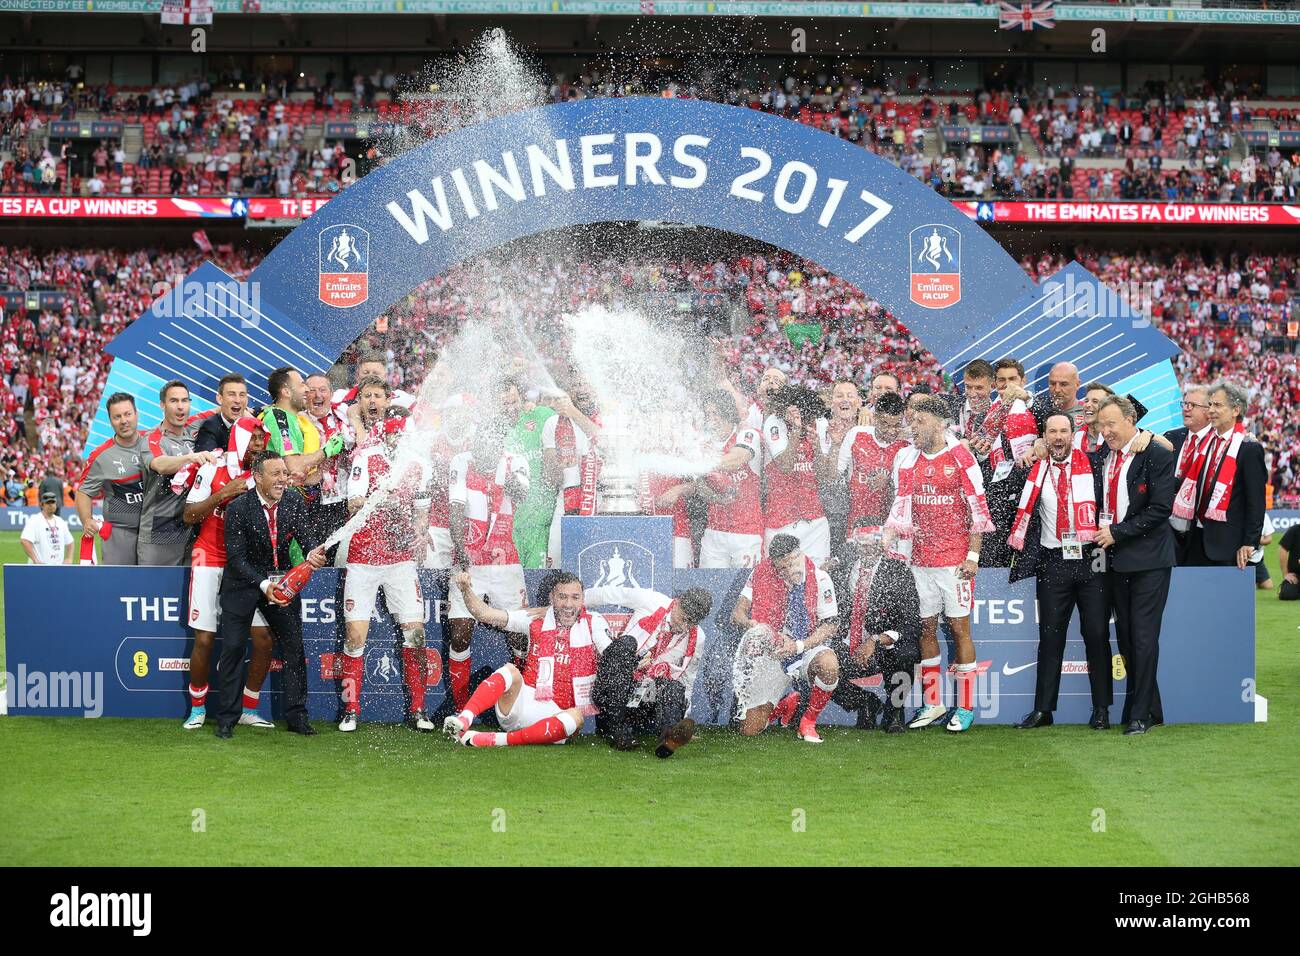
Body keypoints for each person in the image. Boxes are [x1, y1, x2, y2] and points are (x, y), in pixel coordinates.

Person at [885, 394, 993, 733]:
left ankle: (966, 707)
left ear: (940, 423)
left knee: (960, 630)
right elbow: (900, 509)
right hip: (920, 559)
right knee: (926, 629)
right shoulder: (906, 458)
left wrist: (973, 556)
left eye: (919, 421)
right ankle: (933, 703)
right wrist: (893, 540)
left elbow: (978, 510)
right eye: (911, 421)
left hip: (955, 561)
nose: (912, 427)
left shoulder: (961, 456)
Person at [1008, 413, 1114, 729]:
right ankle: (1043, 710)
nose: (1058, 437)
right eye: (1052, 431)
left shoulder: (1095, 465)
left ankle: (1102, 710)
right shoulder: (1034, 470)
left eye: (1063, 431)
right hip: (1052, 561)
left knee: (1096, 635)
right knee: (1050, 637)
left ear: (1073, 434)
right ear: (1044, 436)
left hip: (1091, 559)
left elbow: (1109, 501)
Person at [214, 450, 328, 738]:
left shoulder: (293, 501)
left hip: (282, 584)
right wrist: (264, 585)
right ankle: (227, 719)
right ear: (258, 477)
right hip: (242, 585)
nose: (283, 479)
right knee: (234, 649)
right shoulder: (238, 508)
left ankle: (297, 717)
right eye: (276, 474)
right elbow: (237, 560)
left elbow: (307, 538)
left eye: (285, 473)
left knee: (294, 648)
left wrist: (313, 553)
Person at [338, 416, 432, 733]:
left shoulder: (419, 465)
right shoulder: (366, 458)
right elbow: (353, 503)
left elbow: (421, 509)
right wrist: (382, 502)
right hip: (363, 558)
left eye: (402, 438)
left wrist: (419, 532)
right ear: (385, 438)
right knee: (355, 637)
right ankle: (351, 710)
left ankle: (419, 710)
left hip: (401, 560)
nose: (398, 443)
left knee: (416, 635)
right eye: (394, 438)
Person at [443, 570, 609, 747]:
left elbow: (610, 653)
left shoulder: (594, 622)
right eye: (562, 597)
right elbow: (484, 614)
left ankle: (495, 740)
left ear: (583, 600)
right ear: (552, 598)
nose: (568, 603)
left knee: (576, 717)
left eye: (575, 597)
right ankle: (463, 720)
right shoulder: (534, 618)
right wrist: (466, 589)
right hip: (520, 704)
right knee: (510, 670)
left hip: (555, 716)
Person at [180, 416, 273, 730]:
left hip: (246, 562)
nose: (260, 444)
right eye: (255, 439)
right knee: (205, 640)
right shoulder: (213, 469)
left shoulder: (261, 475)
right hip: (209, 556)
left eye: (263, 440)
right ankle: (197, 708)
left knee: (262, 639)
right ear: (240, 440)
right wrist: (223, 494)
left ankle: (248, 707)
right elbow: (189, 515)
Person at [1094, 395, 1177, 735]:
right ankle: (1152, 709)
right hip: (1114, 560)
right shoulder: (1101, 455)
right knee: (1127, 638)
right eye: (1101, 425)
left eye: (1111, 424)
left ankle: (1139, 715)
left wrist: (1117, 532)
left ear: (1131, 421)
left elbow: (1160, 509)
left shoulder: (1155, 453)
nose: (1106, 431)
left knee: (1143, 637)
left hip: (1148, 560)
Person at [443, 414, 530, 715]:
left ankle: (520, 698)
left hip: (506, 562)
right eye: (478, 444)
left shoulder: (515, 461)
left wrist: (504, 472)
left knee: (519, 632)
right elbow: (455, 509)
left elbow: (522, 494)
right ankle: (460, 709)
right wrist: (460, 548)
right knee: (459, 632)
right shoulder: (461, 462)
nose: (481, 451)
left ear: (499, 446)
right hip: (468, 562)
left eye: (489, 446)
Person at [75, 393, 215, 566]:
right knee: (121, 583)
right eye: (117, 417)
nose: (124, 421)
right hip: (122, 532)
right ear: (110, 420)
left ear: (136, 414)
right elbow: (84, 491)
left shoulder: (155, 440)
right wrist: (87, 520)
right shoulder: (100, 456)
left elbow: (194, 419)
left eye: (127, 414)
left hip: (158, 530)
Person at [730, 533, 840, 743]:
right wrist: (750, 624)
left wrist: (799, 646)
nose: (787, 572)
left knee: (829, 665)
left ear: (799, 555)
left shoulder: (820, 578)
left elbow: (830, 626)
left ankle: (808, 721)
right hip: (774, 652)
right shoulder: (761, 572)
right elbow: (737, 613)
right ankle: (785, 704)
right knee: (749, 730)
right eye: (781, 568)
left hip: (805, 647)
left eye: (790, 565)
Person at [587, 584, 713, 755]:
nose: (684, 626)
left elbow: (688, 680)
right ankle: (616, 731)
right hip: (612, 693)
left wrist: (681, 718)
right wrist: (573, 605)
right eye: (683, 618)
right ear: (677, 603)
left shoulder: (698, 638)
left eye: (690, 623)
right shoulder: (652, 601)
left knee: (673, 686)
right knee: (626, 645)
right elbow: (610, 593)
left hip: (644, 702)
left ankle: (669, 737)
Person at [824, 530, 920, 733]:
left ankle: (894, 711)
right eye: (862, 542)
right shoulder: (840, 570)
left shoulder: (898, 571)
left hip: (881, 645)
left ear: (882, 544)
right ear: (855, 543)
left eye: (873, 541)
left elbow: (911, 622)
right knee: (813, 663)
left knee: (907, 652)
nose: (867, 547)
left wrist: (875, 640)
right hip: (846, 643)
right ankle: (865, 702)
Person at [1174, 383, 1266, 570]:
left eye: (1218, 405)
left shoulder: (1248, 448)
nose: (1211, 410)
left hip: (1228, 546)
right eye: (1210, 405)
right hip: (1196, 539)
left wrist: (1250, 542)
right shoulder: (1207, 443)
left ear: (1235, 410)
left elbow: (1256, 501)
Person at [761, 385, 833, 565]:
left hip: (815, 520)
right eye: (804, 417)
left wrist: (817, 448)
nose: (807, 421)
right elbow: (785, 466)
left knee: (817, 577)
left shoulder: (820, 423)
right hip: (781, 522)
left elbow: (823, 476)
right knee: (780, 581)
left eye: (810, 417)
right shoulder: (774, 422)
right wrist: (795, 431)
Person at [138, 380, 207, 566]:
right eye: (174, 401)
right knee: (155, 591)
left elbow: (223, 409)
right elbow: (159, 464)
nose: (180, 407)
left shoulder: (193, 427)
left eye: (185, 401)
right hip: (160, 530)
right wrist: (192, 458)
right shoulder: (153, 438)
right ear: (162, 405)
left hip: (192, 528)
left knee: (189, 592)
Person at [697, 390, 764, 569]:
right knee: (711, 593)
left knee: (745, 595)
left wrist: (702, 463)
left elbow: (738, 458)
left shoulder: (748, 434)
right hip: (714, 531)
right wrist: (714, 496)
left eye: (716, 413)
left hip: (747, 532)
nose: (712, 419)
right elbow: (700, 485)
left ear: (727, 411)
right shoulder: (704, 445)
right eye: (708, 414)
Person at [301, 372, 354, 549]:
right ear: (304, 395)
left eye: (323, 390)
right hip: (311, 498)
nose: (318, 396)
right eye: (312, 391)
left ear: (331, 393)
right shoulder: (298, 421)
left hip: (344, 497)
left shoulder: (344, 415)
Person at [260, 366, 321, 487]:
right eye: (301, 384)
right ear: (286, 392)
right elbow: (293, 466)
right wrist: (326, 451)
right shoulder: (279, 417)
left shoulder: (294, 419)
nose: (307, 389)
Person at [193, 374, 249, 454]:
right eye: (232, 394)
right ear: (220, 399)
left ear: (247, 400)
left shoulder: (253, 426)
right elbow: (208, 461)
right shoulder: (209, 427)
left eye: (242, 395)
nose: (237, 400)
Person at [20, 491, 73, 564]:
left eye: (53, 502)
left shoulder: (60, 521)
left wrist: (69, 558)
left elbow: (70, 542)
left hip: (58, 567)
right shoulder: (34, 520)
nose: (51, 505)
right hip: (40, 568)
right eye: (48, 503)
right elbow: (24, 540)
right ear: (42, 505)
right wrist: (35, 560)